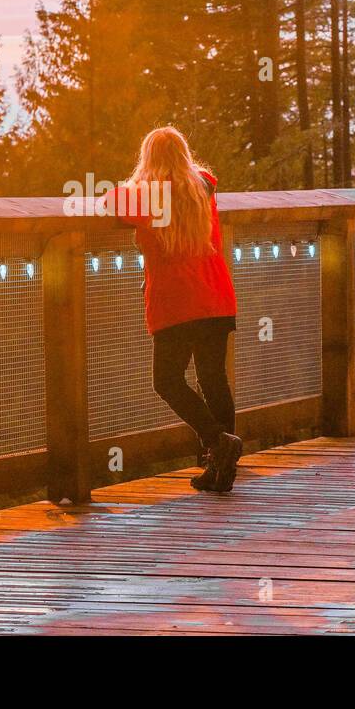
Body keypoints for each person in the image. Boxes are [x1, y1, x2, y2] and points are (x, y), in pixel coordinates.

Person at [108, 126, 243, 492]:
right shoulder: (202, 188)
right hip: (215, 295)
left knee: (166, 380)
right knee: (213, 378)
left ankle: (217, 442)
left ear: (147, 159)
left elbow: (110, 201)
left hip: (177, 300)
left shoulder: (146, 197)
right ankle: (219, 469)